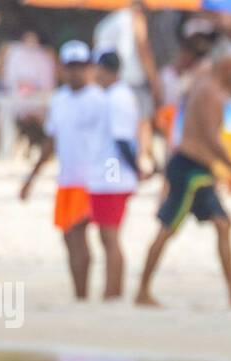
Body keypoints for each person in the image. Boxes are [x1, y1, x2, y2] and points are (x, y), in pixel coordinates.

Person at [135, 52, 231, 308]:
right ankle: (142, 291)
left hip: (195, 169)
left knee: (222, 224)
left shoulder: (203, 83)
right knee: (168, 229)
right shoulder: (211, 92)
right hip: (191, 171)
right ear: (227, 68)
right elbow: (212, 139)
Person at [21, 41, 105, 301]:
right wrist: (30, 179)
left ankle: (85, 294)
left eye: (80, 67)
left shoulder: (98, 100)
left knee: (78, 234)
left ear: (89, 68)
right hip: (66, 180)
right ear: (62, 69)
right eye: (71, 67)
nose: (75, 73)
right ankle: (79, 294)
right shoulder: (59, 100)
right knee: (68, 238)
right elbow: (51, 143)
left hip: (90, 180)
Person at [87, 50, 139, 300]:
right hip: (112, 174)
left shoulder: (117, 98)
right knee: (109, 237)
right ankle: (111, 290)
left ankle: (112, 291)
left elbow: (122, 140)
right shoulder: (115, 96)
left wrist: (136, 170)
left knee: (110, 237)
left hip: (112, 176)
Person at [93, 0, 161, 177]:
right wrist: (154, 80)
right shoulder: (133, 19)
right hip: (132, 81)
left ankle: (112, 176)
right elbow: (142, 47)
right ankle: (141, 164)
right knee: (139, 125)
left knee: (112, 136)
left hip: (110, 84)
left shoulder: (105, 24)